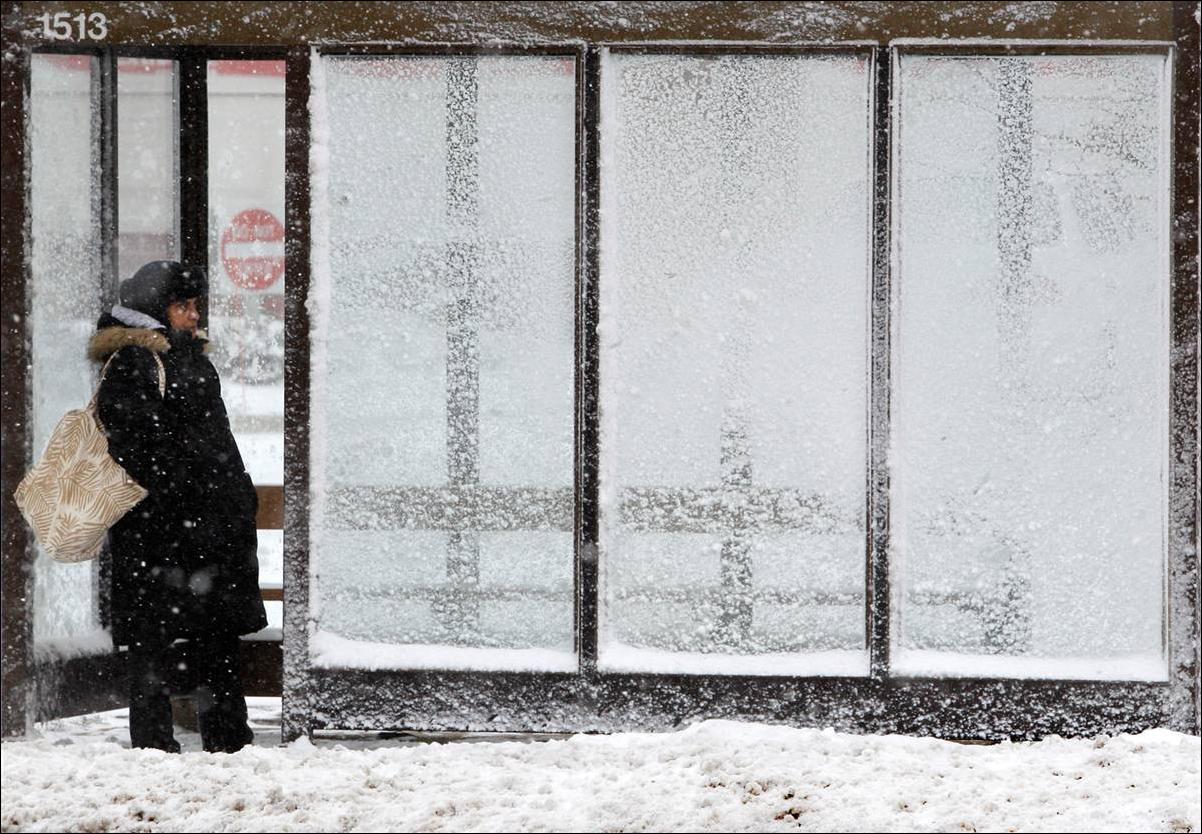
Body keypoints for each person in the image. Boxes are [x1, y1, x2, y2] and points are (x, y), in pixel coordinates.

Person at [89, 260, 267, 753]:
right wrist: (204, 498)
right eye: (183, 306)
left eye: (195, 306)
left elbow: (214, 444)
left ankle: (228, 741)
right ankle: (158, 749)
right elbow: (145, 451)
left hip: (197, 535)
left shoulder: (185, 360)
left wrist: (232, 500)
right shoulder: (135, 363)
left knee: (214, 643)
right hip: (163, 538)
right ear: (155, 311)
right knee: (157, 647)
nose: (193, 316)